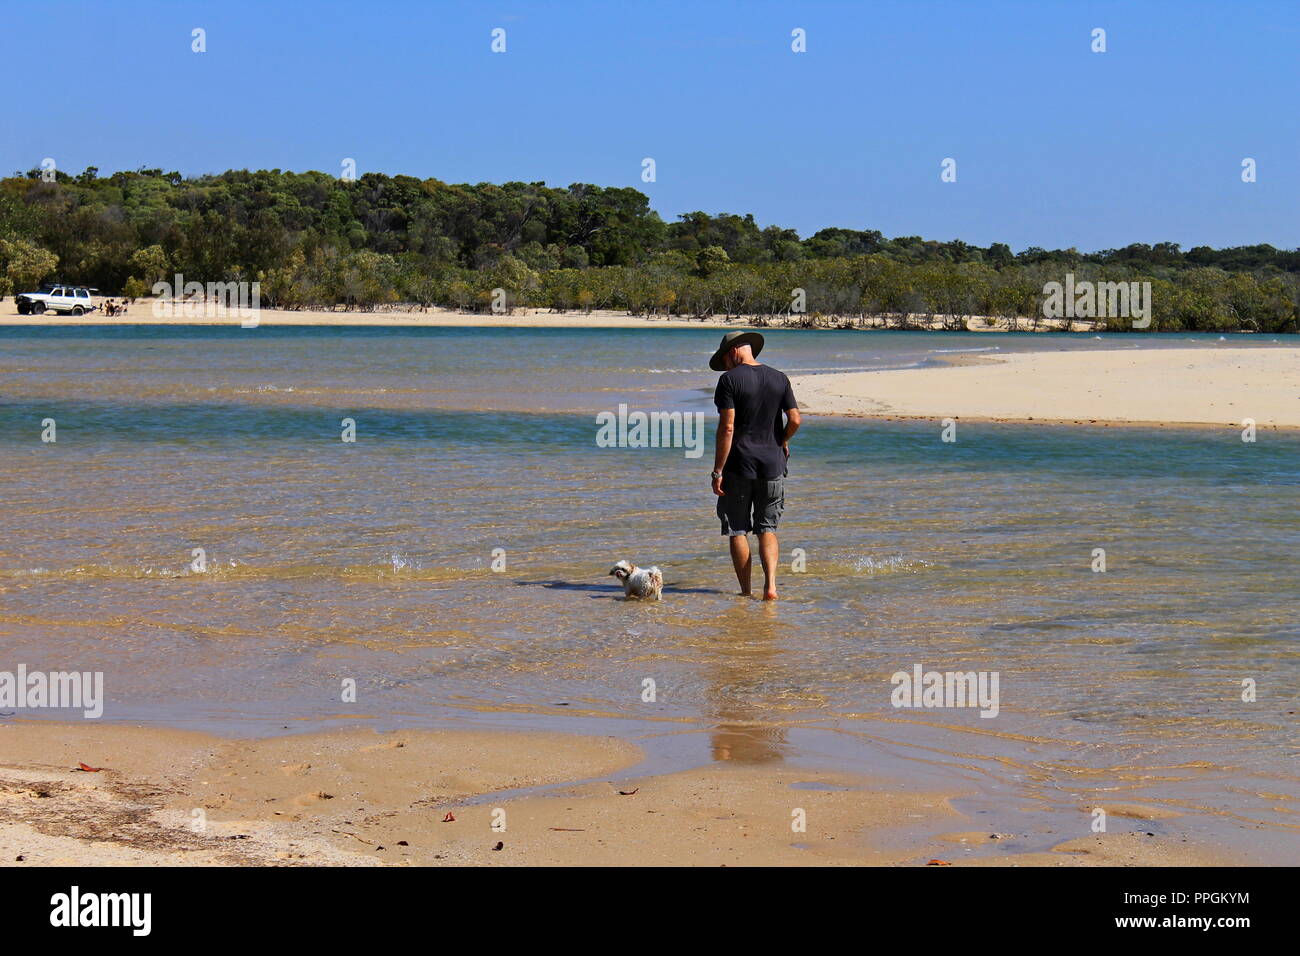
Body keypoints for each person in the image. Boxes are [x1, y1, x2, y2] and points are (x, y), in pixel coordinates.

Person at [708, 330, 800, 601]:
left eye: (724, 359)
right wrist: (782, 440)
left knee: (737, 529)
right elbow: (795, 419)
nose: (725, 366)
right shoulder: (779, 378)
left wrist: (717, 471)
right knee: (767, 528)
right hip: (772, 464)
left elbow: (727, 428)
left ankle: (746, 591)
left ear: (733, 351)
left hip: (738, 466)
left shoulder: (729, 381)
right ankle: (770, 586)